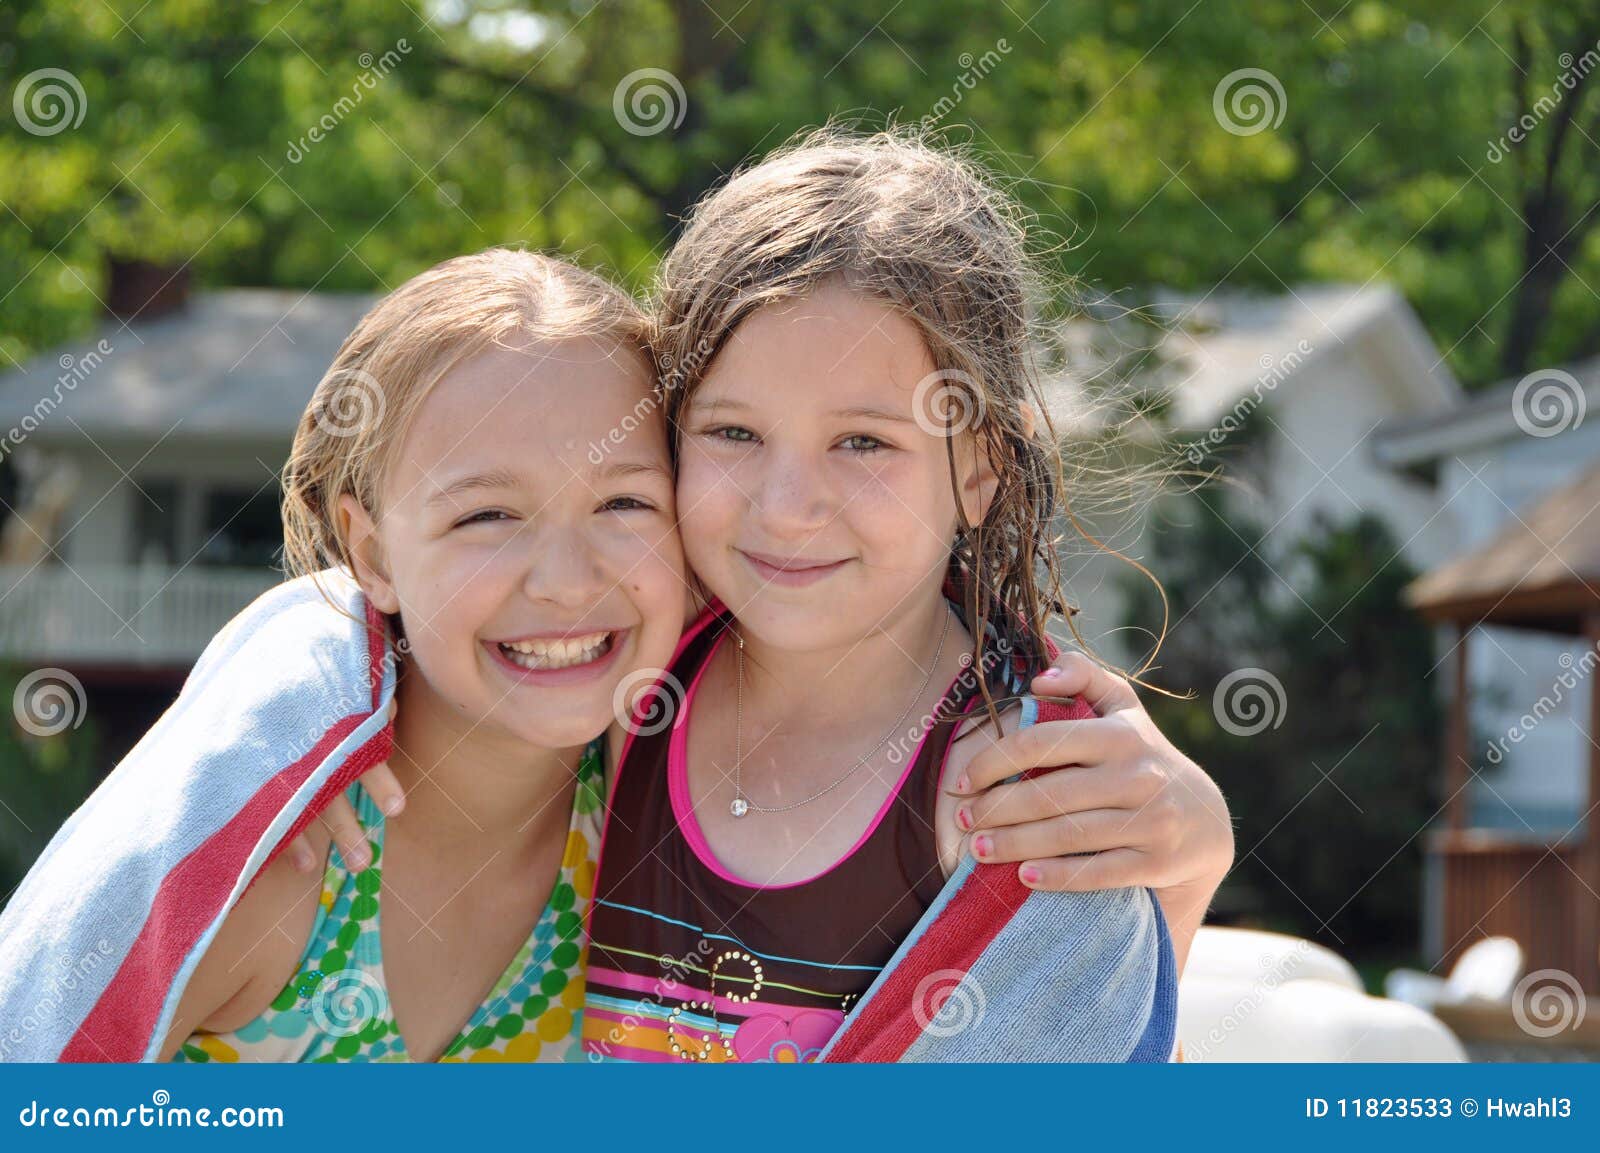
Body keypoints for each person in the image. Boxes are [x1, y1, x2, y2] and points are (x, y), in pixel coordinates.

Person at [578, 128, 1233, 1062]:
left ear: (978, 470)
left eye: (864, 443)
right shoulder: (622, 693)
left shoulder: (1001, 793)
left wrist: (1197, 846)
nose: (788, 506)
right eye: (732, 432)